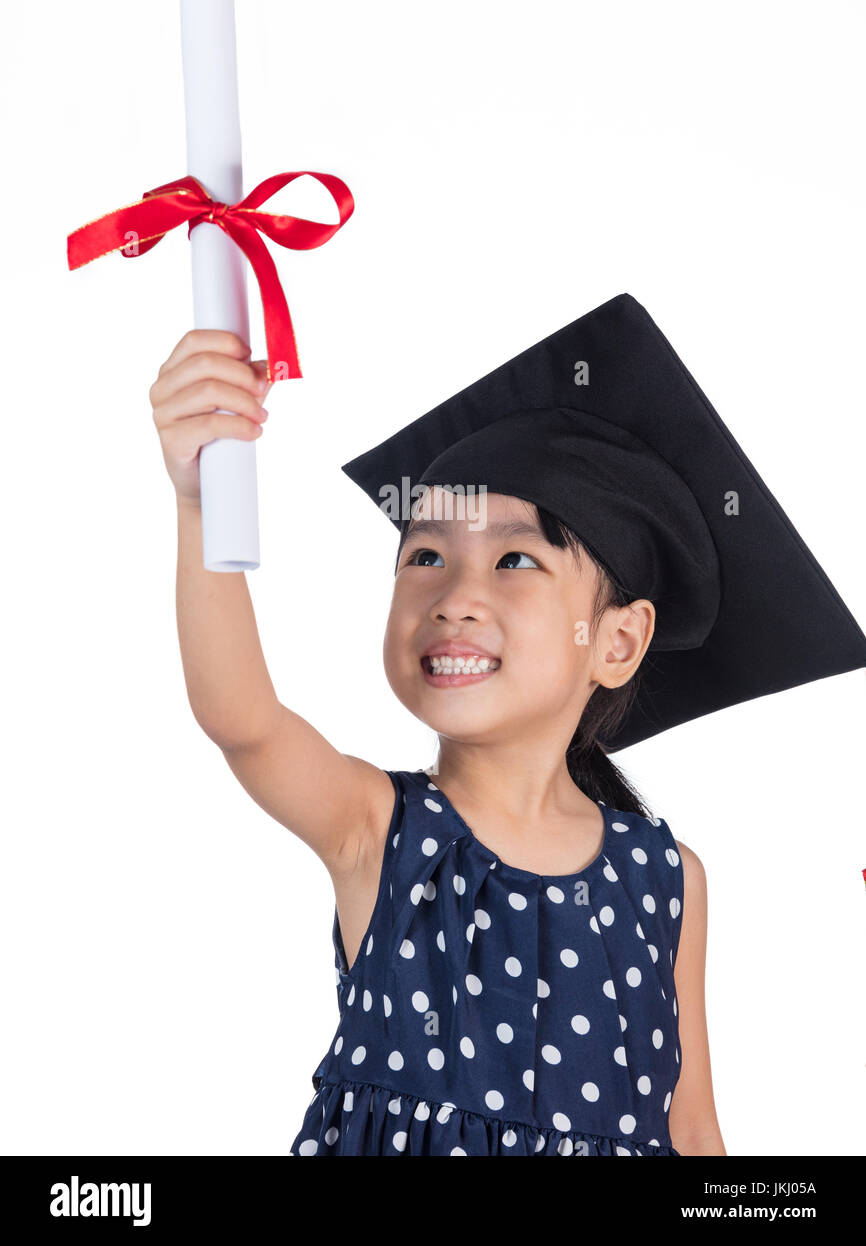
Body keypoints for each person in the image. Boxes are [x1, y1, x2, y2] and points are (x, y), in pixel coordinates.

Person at [149, 293, 866, 1156]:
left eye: (516, 558)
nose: (456, 598)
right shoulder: (380, 831)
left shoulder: (666, 879)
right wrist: (201, 502)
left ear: (618, 640)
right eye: (425, 556)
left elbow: (694, 1130)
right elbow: (244, 721)